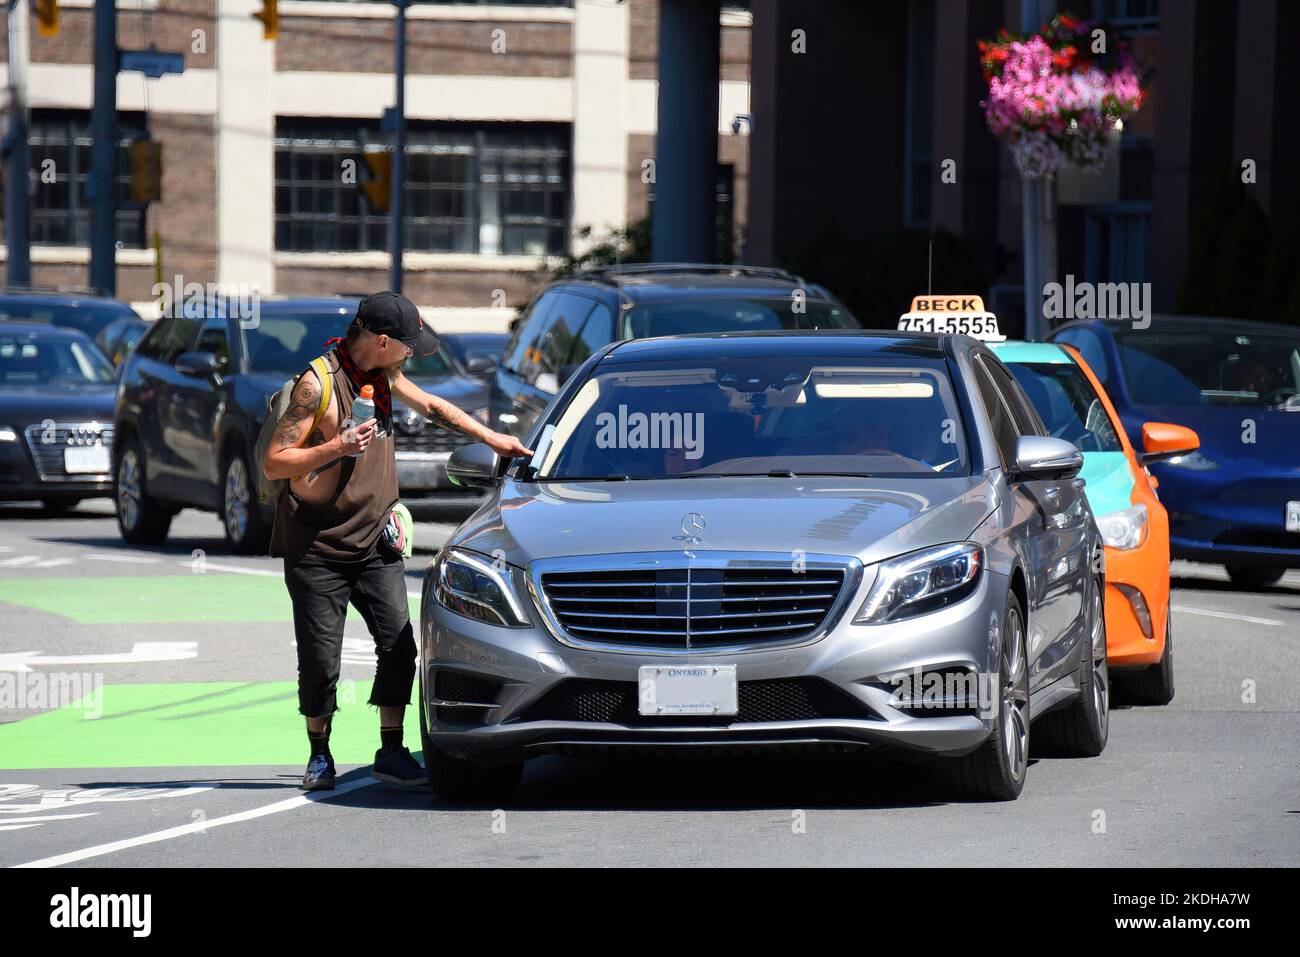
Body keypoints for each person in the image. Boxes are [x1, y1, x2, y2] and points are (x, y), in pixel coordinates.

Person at [262, 291, 531, 791]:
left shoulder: (383, 376)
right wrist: (336, 446)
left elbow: (432, 406)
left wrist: (493, 439)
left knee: (399, 645)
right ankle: (319, 754)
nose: (413, 353)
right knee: (321, 661)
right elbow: (275, 461)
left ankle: (390, 749)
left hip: (376, 541)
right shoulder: (316, 384)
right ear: (383, 341)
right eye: (407, 346)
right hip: (317, 547)